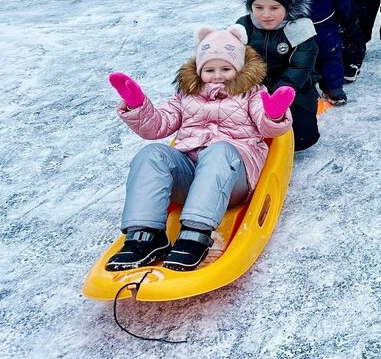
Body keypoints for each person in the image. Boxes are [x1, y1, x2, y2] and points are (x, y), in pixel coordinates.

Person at [104, 25, 294, 272]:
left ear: (239, 69)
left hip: (232, 177)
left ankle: (195, 234)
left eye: (226, 69)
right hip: (190, 176)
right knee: (151, 154)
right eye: (210, 69)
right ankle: (146, 236)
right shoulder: (186, 95)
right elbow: (157, 126)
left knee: (218, 151)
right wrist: (138, 105)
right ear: (198, 69)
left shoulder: (252, 94)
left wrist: (273, 113)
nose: (218, 75)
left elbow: (268, 129)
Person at [238, 0, 325, 144]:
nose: (266, 14)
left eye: (274, 8)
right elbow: (229, 56)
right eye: (259, 7)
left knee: (302, 137)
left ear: (287, 6)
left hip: (292, 91)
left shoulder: (298, 30)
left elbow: (299, 68)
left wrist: (275, 98)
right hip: (253, 89)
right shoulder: (245, 26)